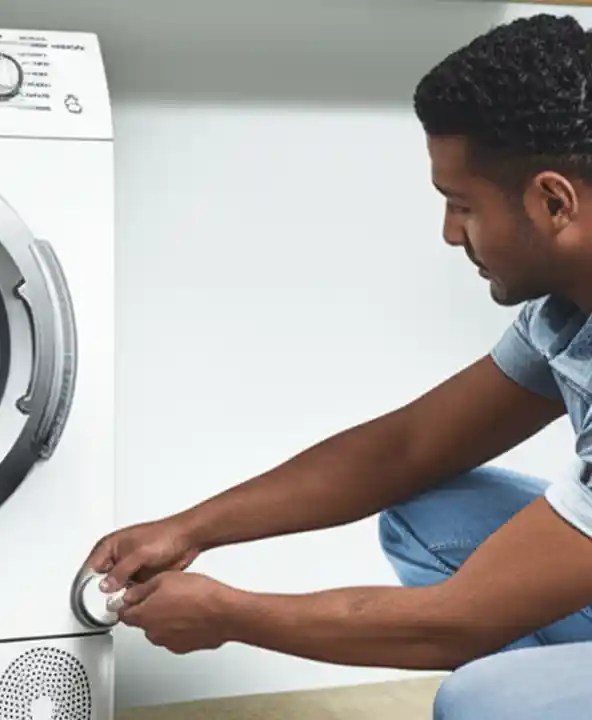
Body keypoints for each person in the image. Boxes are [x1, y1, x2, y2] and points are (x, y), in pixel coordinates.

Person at [84, 14, 592, 719]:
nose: (451, 234)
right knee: (428, 514)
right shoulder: (567, 311)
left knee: (483, 700)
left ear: (553, 201)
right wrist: (191, 528)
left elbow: (457, 622)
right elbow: (406, 448)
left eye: (462, 206)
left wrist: (230, 614)